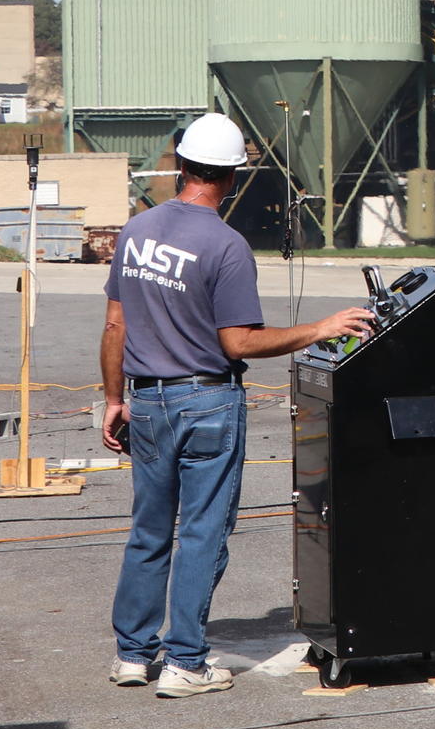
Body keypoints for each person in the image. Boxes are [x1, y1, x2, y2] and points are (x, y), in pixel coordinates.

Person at [100, 112, 373, 697]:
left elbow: (115, 325)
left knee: (149, 530)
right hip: (207, 402)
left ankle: (132, 654)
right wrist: (320, 327)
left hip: (145, 401)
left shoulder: (136, 231)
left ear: (180, 164)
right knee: (202, 533)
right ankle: (185, 663)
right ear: (230, 177)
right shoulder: (225, 245)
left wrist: (113, 399)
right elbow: (239, 343)